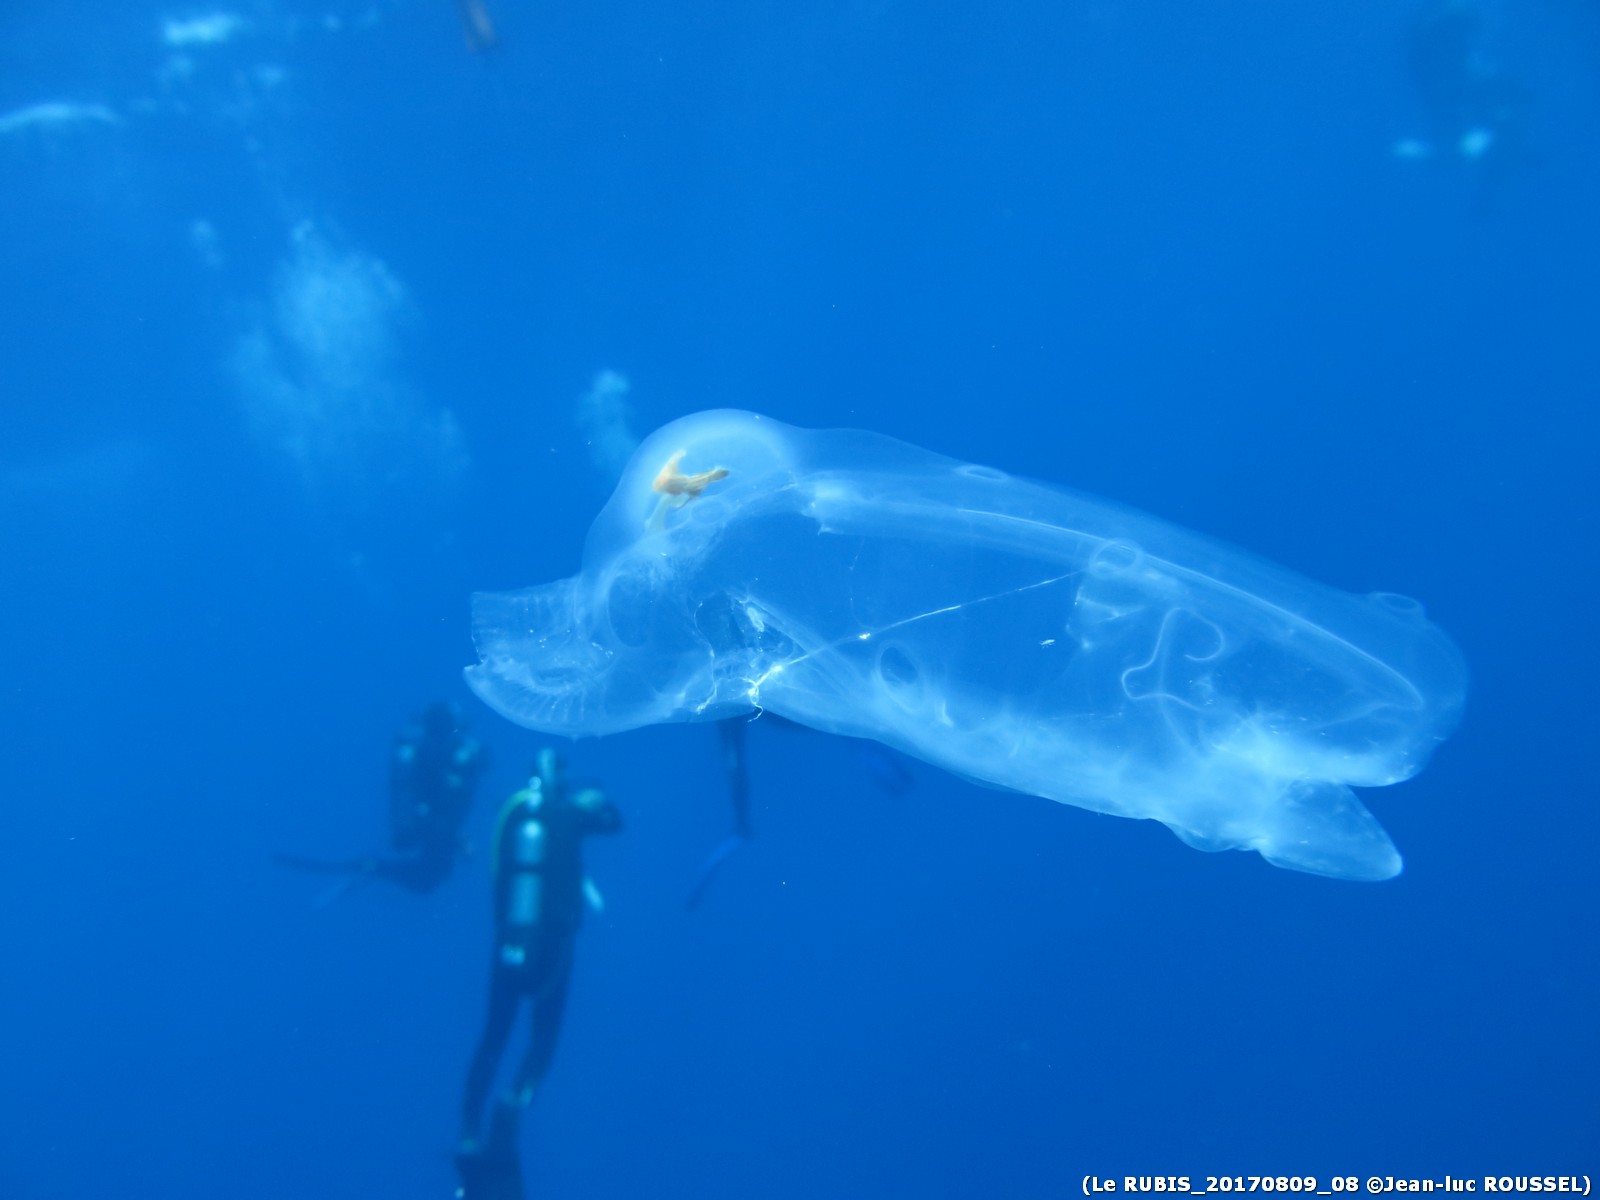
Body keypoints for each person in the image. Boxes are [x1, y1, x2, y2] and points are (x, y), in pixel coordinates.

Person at [456, 749, 622, 1193]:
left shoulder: (512, 813)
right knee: (543, 1037)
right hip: (554, 948)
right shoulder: (568, 814)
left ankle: (468, 1134)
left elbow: (497, 874)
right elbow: (615, 821)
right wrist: (590, 802)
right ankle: (515, 1100)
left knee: (492, 1038)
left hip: (509, 944)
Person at [276, 701, 488, 896]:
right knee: (430, 878)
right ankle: (371, 867)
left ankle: (373, 868)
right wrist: (457, 837)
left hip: (429, 819)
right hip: (430, 821)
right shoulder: (437, 754)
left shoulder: (432, 752)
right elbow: (442, 798)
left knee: (432, 876)